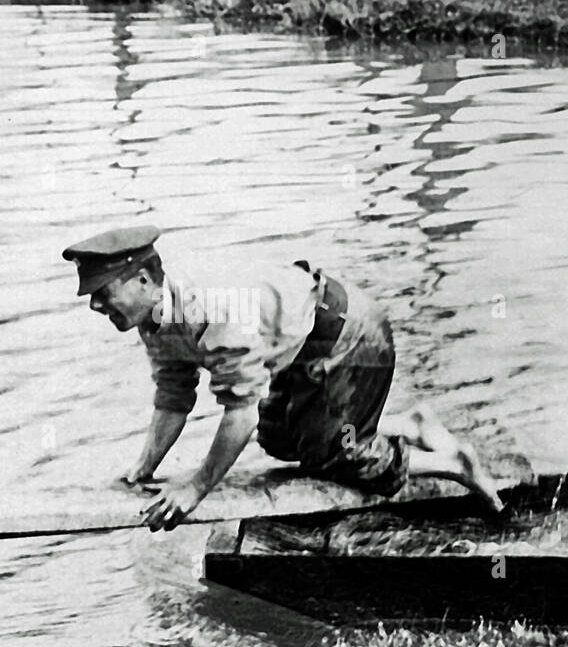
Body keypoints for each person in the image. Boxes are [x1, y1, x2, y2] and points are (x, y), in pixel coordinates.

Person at [63, 226, 501, 531]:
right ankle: (410, 426)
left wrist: (196, 488)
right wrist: (142, 471)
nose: (97, 307)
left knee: (334, 457)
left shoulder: (213, 311)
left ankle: (454, 463)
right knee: (278, 439)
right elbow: (174, 398)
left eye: (103, 294)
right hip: (301, 346)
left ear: (143, 280)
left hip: (348, 333)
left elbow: (240, 411)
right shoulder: (155, 317)